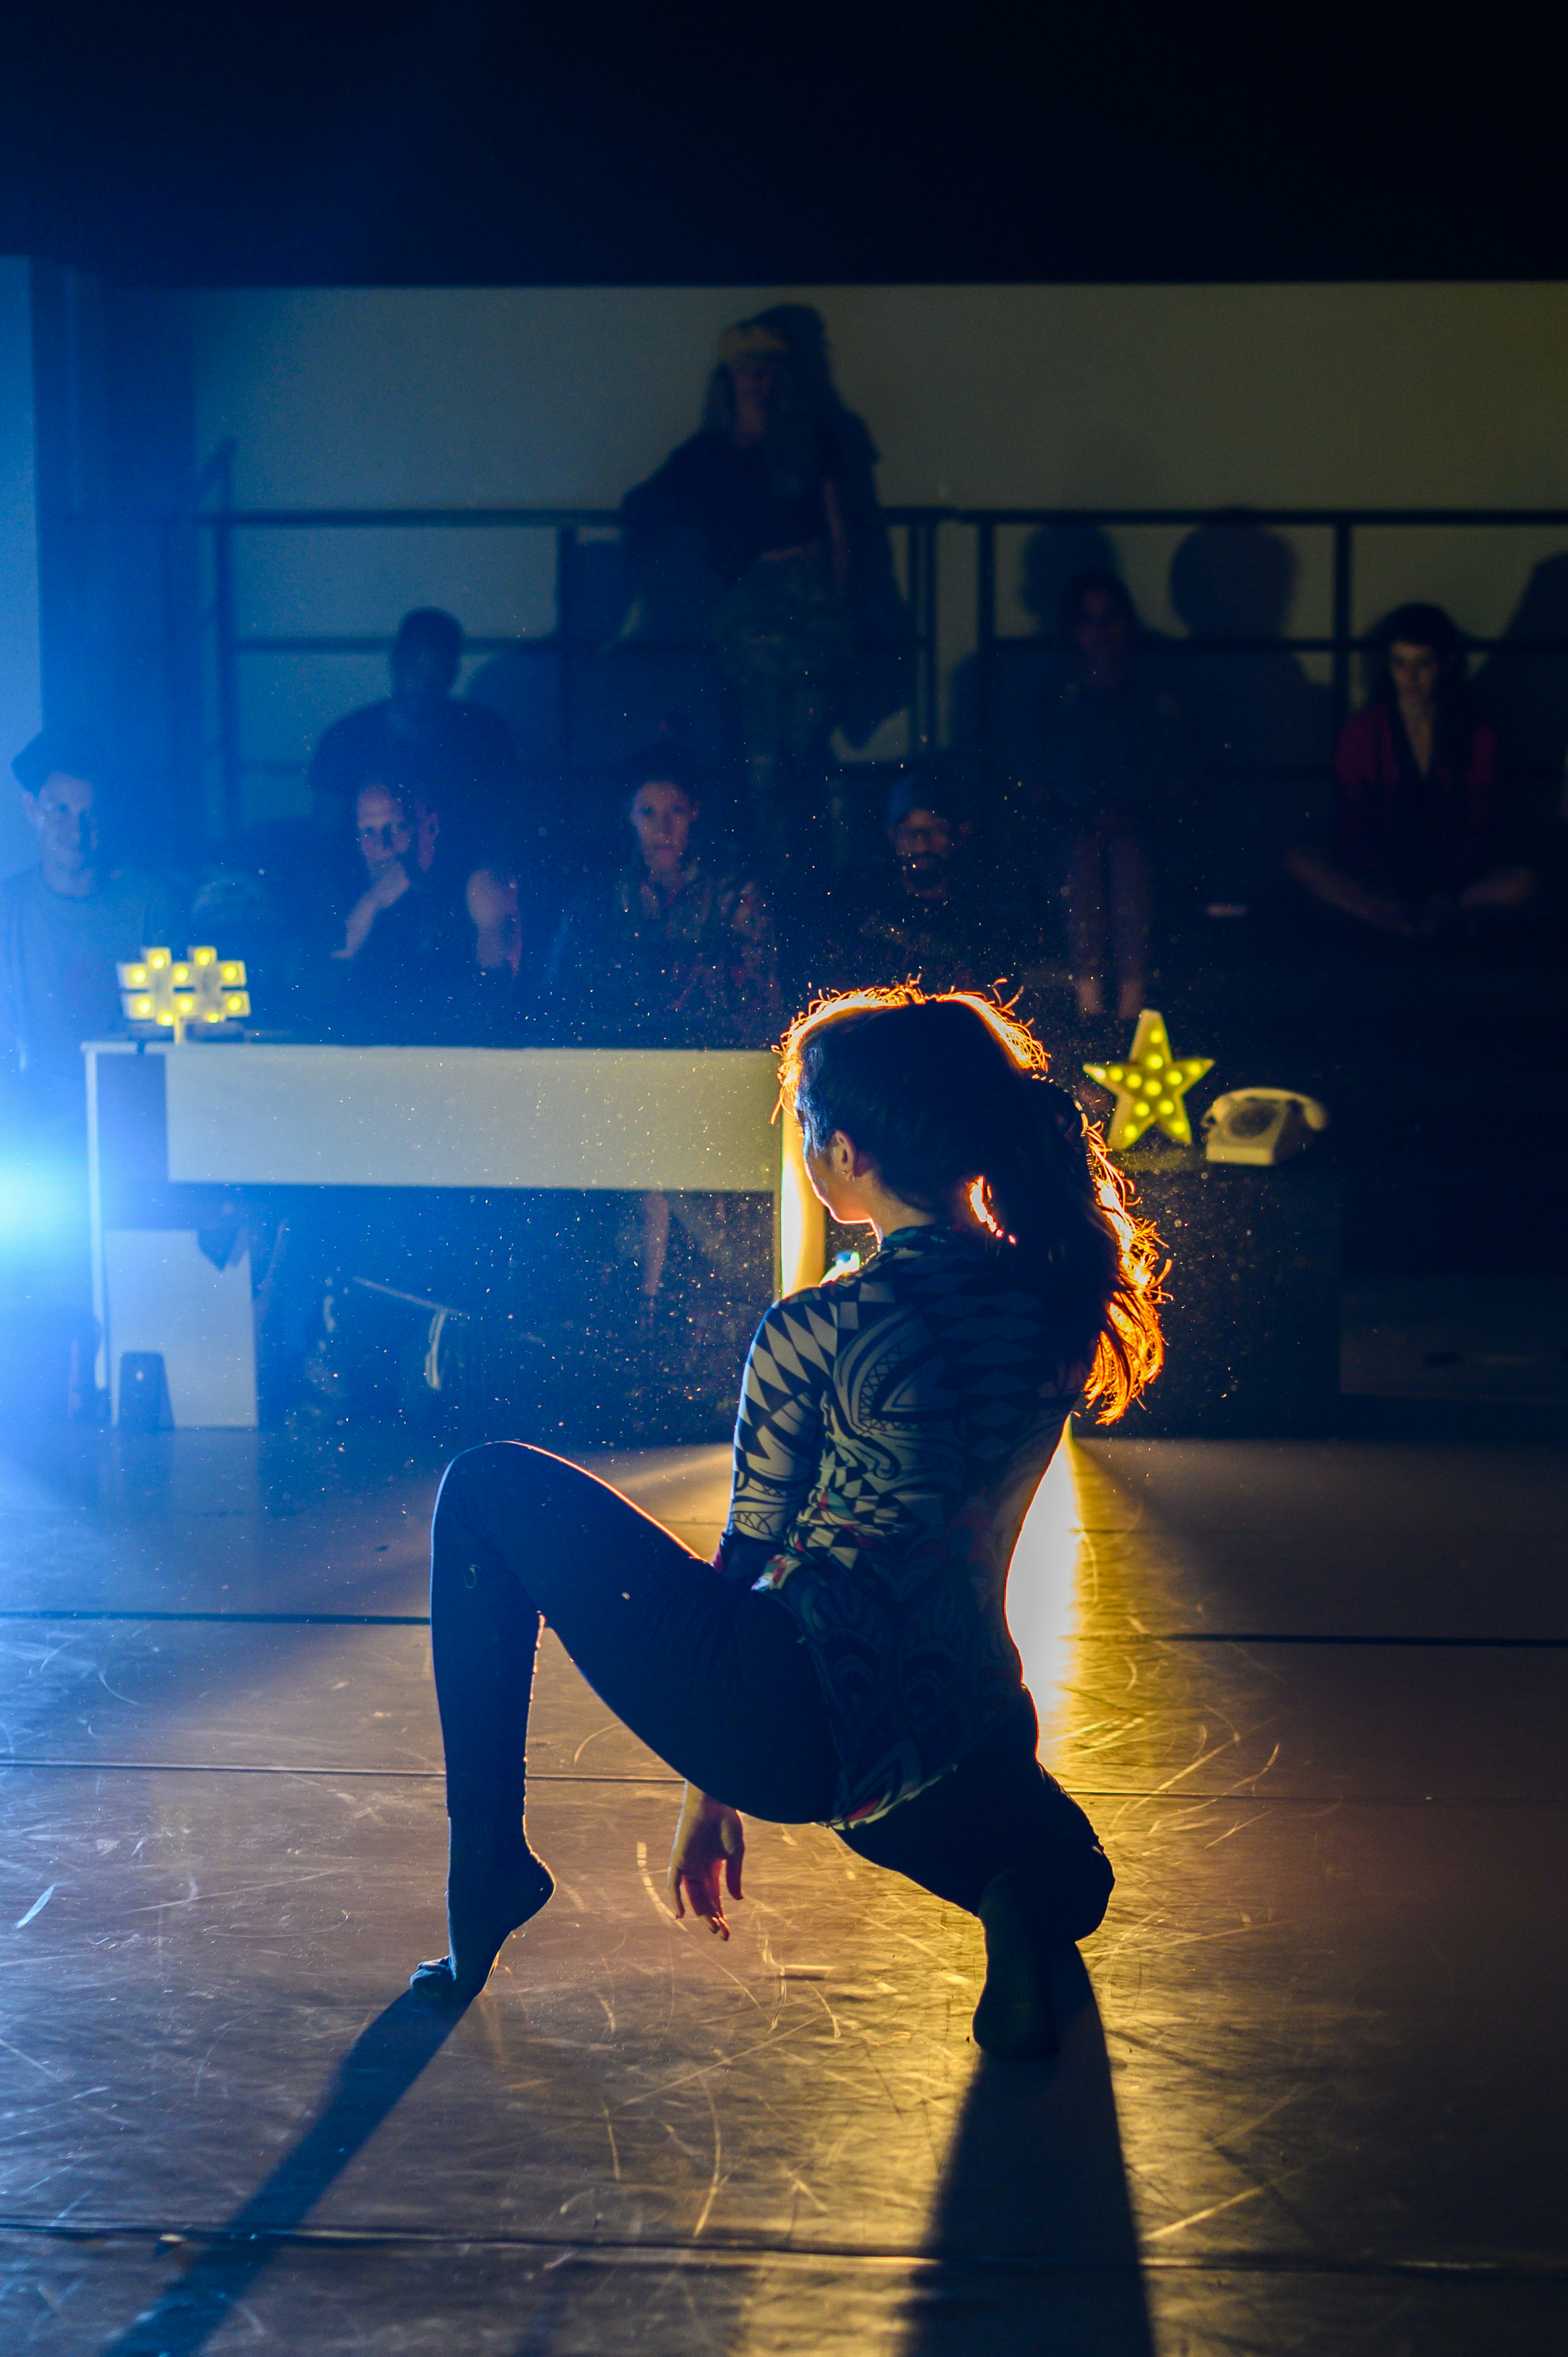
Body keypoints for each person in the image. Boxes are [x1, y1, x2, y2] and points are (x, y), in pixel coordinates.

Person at [410, 987, 1165, 2061]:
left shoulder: (819, 1327)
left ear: (847, 1153)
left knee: (485, 1487)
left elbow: (746, 1561)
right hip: (959, 1722)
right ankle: (1016, 1890)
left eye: (807, 1128)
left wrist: (708, 1784)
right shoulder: (1050, 1294)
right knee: (1068, 1875)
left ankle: (486, 1864)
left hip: (798, 1721)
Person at [621, 324, 853, 864]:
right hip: (751, 616)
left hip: (808, 609)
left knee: (806, 745)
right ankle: (769, 878)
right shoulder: (709, 452)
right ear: (727, 377)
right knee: (760, 756)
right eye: (747, 369)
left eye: (766, 369)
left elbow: (839, 534)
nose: (757, 380)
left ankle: (810, 870)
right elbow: (652, 499)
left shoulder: (808, 440)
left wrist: (836, 607)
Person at [1288, 602, 1534, 937]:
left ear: (1446, 664)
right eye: (1400, 664)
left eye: (1424, 664)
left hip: (1452, 881)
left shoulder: (1475, 732)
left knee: (1519, 882)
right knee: (1300, 862)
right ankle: (1395, 920)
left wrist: (1446, 891)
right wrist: (1380, 885)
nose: (1411, 678)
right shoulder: (1363, 730)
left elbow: (1479, 821)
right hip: (1376, 882)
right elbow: (1350, 820)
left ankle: (1412, 921)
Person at [0, 727, 185, 1127]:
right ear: (32, 810)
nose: (76, 830)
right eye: (59, 810)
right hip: (34, 1120)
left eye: (90, 814)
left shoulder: (153, 906)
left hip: (134, 1112)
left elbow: (170, 1039)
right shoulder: (8, 909)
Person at [543, 743, 783, 1051]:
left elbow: (765, 1008)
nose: (663, 828)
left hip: (716, 1062)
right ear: (629, 814)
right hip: (618, 1061)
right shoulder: (597, 900)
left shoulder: (734, 898)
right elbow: (561, 1004)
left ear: (695, 811)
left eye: (676, 812)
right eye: (648, 813)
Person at [1040, 572, 1193, 1022]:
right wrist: (1082, 819)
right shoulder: (1055, 705)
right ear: (1073, 630)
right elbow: (1040, 791)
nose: (1100, 632)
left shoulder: (1155, 703)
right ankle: (1091, 1008)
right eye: (1089, 621)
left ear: (1126, 624)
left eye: (1109, 619)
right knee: (1087, 852)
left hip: (1145, 836)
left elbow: (1178, 783)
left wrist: (1133, 815)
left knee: (1126, 851)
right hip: (1072, 838)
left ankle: (1129, 1009)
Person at [308, 610, 521, 856]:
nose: (425, 684)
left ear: (452, 673)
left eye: (437, 673)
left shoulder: (486, 737)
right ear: (395, 663)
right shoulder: (347, 739)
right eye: (415, 670)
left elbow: (501, 827)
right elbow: (326, 836)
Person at [328, 776, 471, 1043]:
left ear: (429, 829)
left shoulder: (460, 901)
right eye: (368, 832)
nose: (382, 845)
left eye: (397, 828)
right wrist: (370, 904)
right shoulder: (341, 895)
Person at [844, 775, 1006, 994]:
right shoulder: (864, 913)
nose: (921, 843)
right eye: (909, 831)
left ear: (959, 834)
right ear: (892, 836)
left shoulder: (984, 920)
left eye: (935, 829)